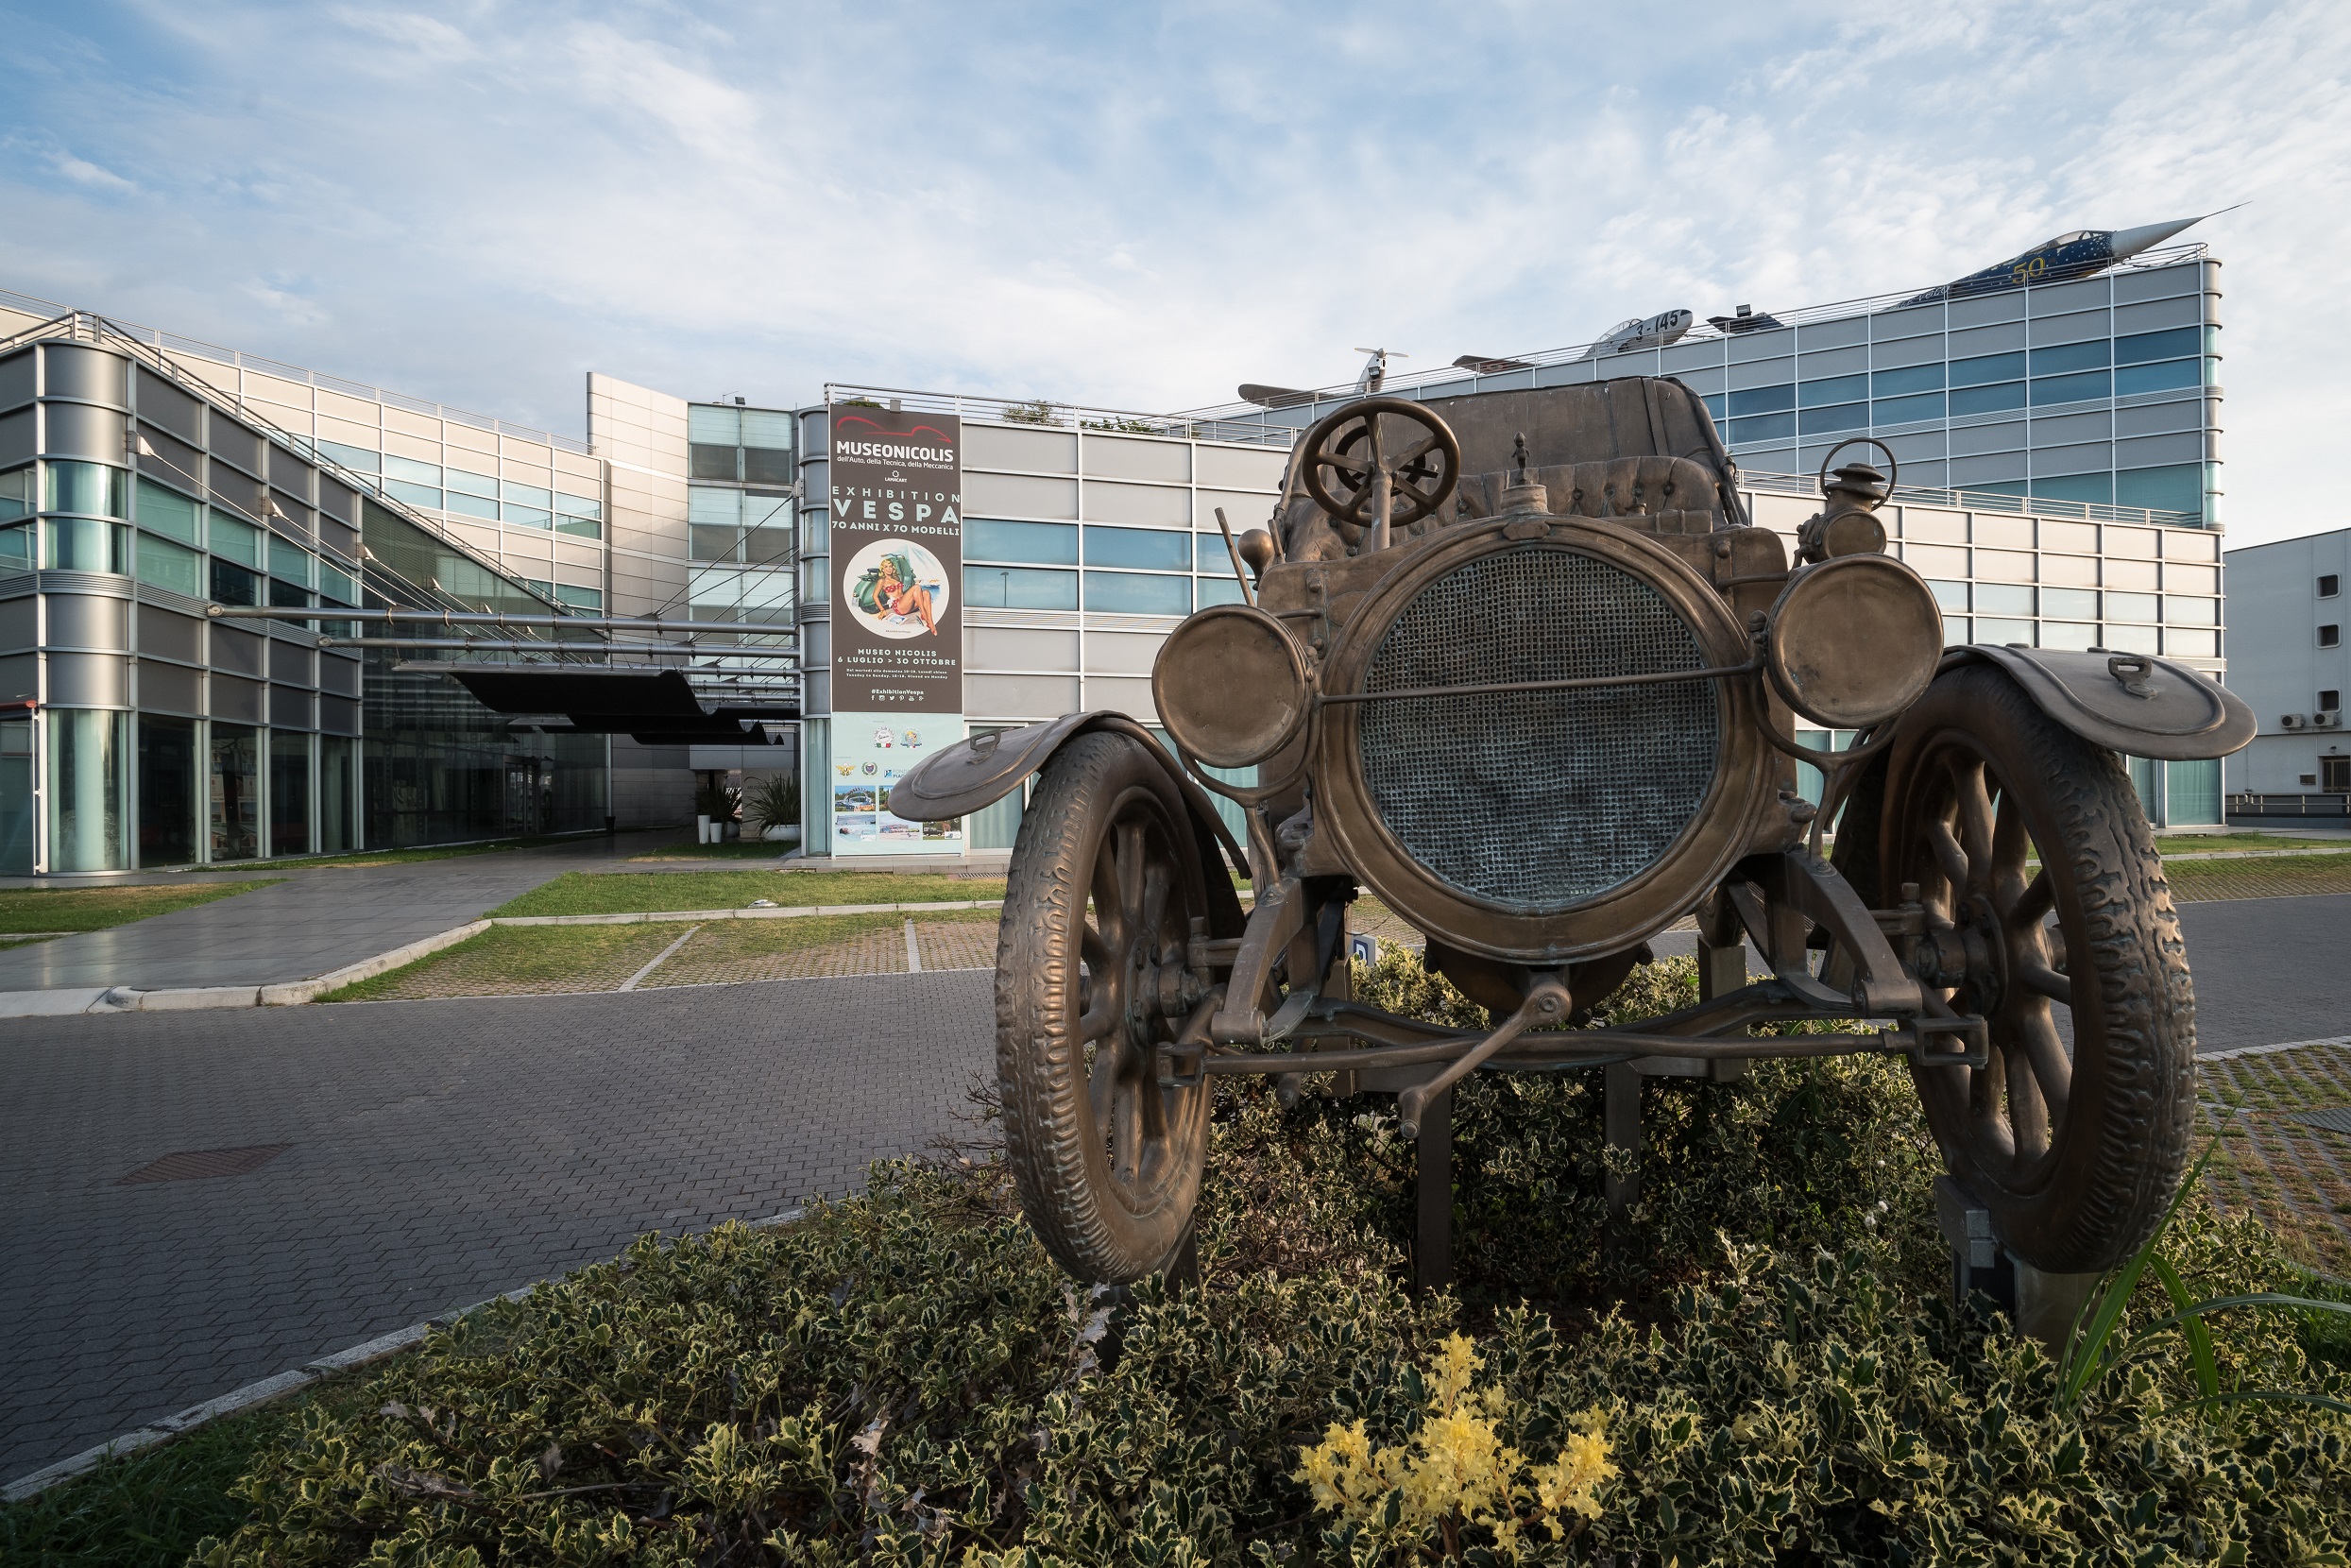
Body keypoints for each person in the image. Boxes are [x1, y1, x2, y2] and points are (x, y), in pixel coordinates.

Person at [855, 551, 938, 635]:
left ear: (893, 567)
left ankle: (930, 621)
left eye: (890, 566)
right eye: (886, 567)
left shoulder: (896, 578)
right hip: (899, 606)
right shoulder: (882, 581)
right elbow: (875, 596)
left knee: (926, 592)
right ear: (882, 569)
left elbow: (904, 594)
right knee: (916, 587)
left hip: (906, 604)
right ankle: (923, 612)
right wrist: (882, 610)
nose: (889, 569)